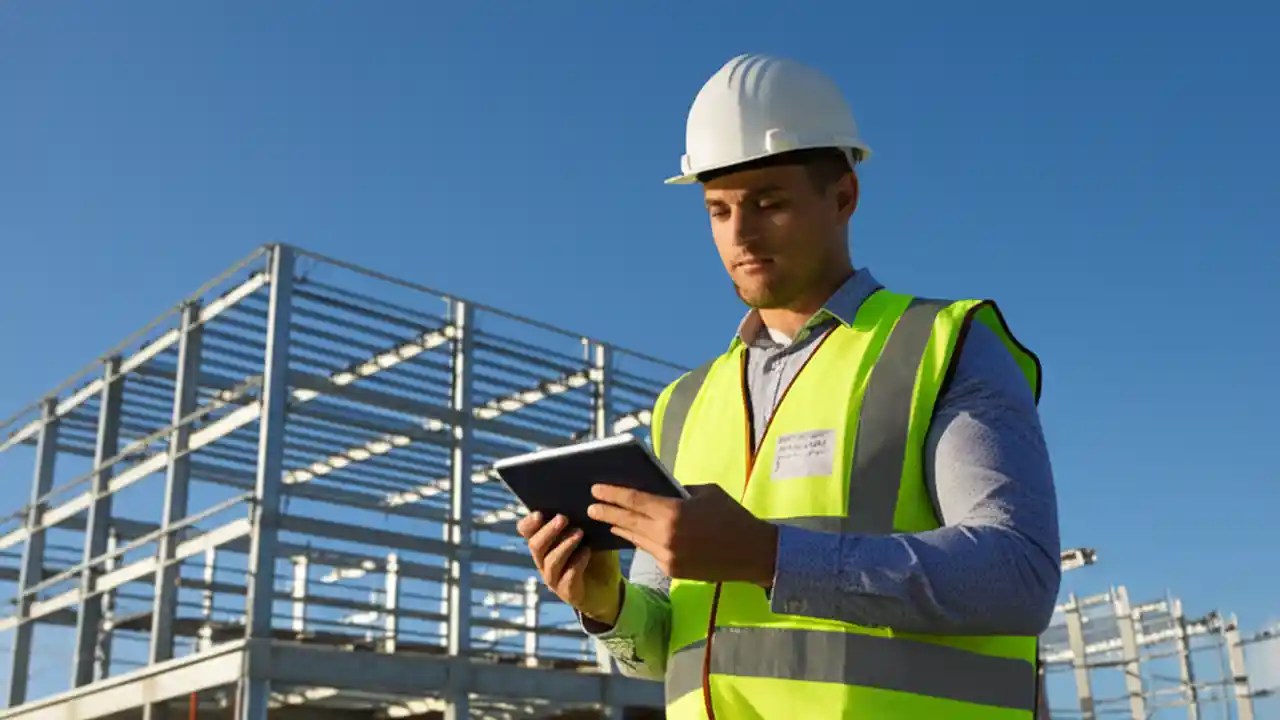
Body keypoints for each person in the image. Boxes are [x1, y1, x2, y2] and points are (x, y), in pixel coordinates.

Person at [517, 53, 1060, 719]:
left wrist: (769, 556)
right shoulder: (685, 405)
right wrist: (605, 605)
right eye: (717, 210)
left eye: (768, 204)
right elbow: (664, 644)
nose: (739, 235)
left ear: (843, 198)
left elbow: (1018, 575)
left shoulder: (943, 345)